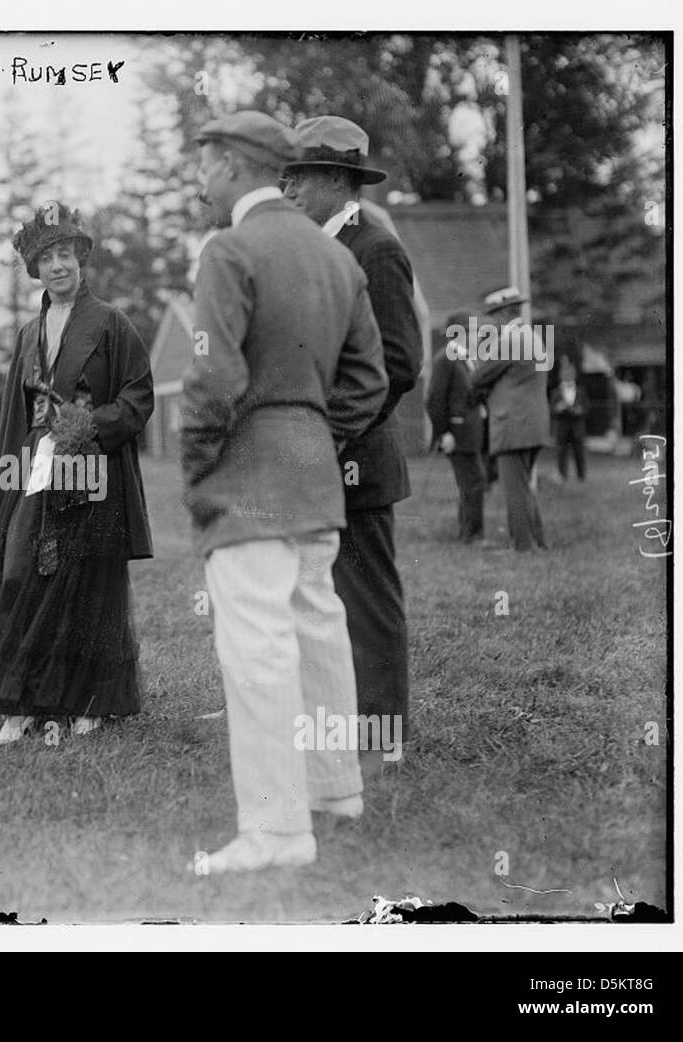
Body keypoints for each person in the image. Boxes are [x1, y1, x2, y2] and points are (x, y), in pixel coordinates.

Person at [182, 111, 388, 872]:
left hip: (248, 470)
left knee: (257, 647)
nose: (200, 178)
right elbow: (371, 378)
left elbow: (211, 378)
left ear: (237, 165)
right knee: (316, 629)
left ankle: (275, 831)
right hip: (314, 469)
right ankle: (336, 791)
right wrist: (314, 434)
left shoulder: (229, 250)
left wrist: (201, 461)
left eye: (206, 163)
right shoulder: (337, 258)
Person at [0, 202, 154, 744]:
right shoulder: (28, 331)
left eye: (65, 254)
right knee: (24, 569)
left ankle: (88, 699)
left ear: (81, 259)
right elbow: (14, 416)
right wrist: (14, 474)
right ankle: (22, 702)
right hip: (37, 469)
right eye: (46, 259)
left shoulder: (112, 324)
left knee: (89, 578)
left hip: (94, 468)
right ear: (34, 269)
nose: (57, 267)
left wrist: (91, 424)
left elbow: (139, 397)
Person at [281, 115, 421, 748]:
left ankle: (383, 729)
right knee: (317, 595)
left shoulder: (376, 250)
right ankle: (337, 718)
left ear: (337, 180)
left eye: (299, 179)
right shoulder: (307, 249)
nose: (286, 192)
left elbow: (398, 365)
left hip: (356, 455)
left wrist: (330, 434)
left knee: (366, 597)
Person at [473, 286, 550, 551]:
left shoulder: (509, 341)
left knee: (515, 491)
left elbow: (478, 376)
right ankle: (536, 541)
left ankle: (524, 547)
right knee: (524, 487)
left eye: (493, 315)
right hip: (532, 424)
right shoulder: (531, 336)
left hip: (512, 425)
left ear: (505, 313)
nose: (491, 321)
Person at [426, 311, 486, 542]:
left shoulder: (464, 358)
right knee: (473, 482)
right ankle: (473, 535)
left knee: (473, 482)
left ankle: (469, 532)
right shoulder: (446, 358)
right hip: (457, 433)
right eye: (473, 331)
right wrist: (444, 433)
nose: (478, 335)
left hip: (470, 432)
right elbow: (434, 401)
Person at [550, 356, 589, 482]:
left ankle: (581, 475)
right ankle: (562, 474)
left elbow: (586, 406)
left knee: (579, 452)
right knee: (561, 452)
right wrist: (558, 408)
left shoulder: (581, 391)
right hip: (562, 426)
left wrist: (580, 410)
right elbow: (551, 409)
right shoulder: (556, 392)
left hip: (577, 426)